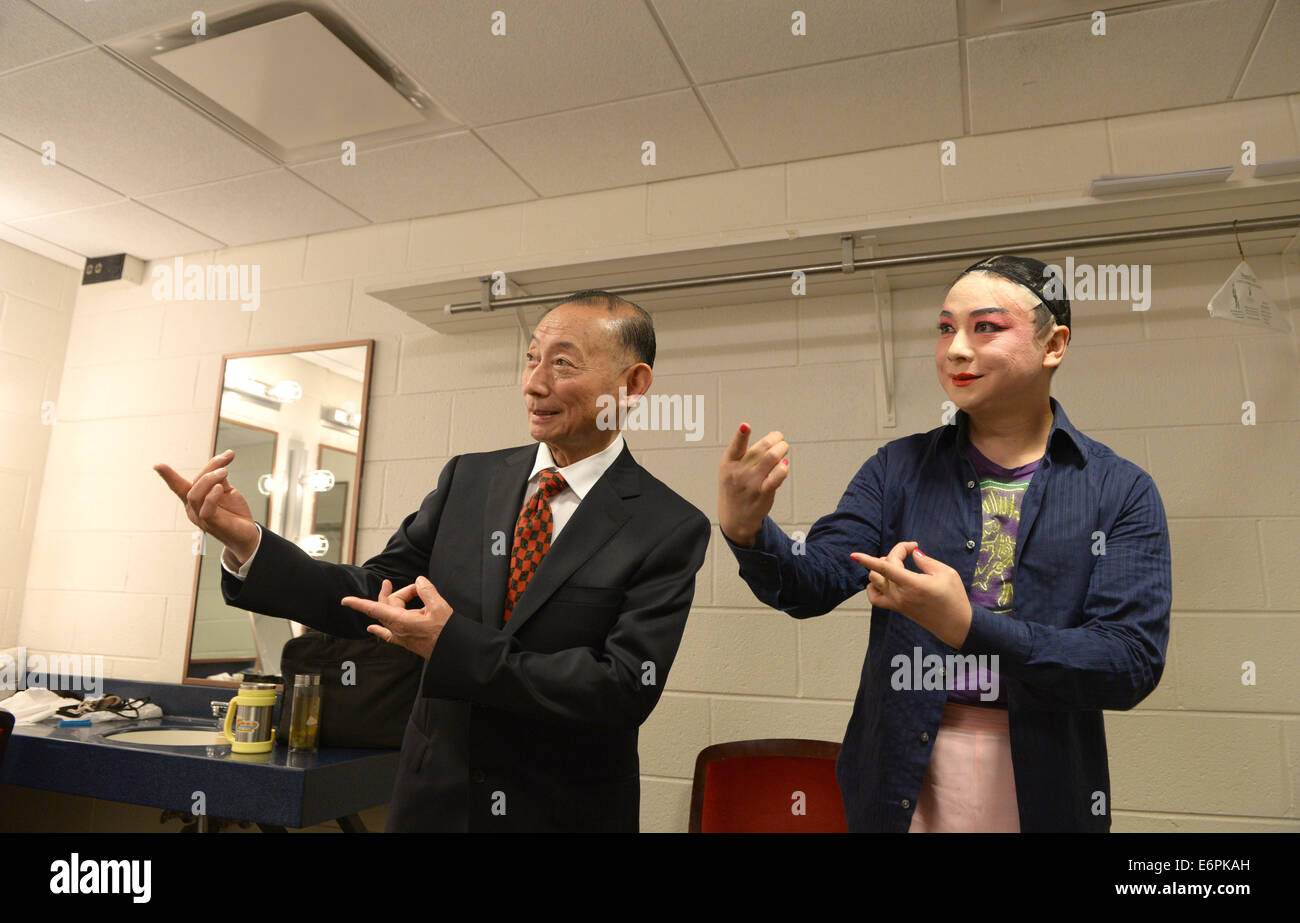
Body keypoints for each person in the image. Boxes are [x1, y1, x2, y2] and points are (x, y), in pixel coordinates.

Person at [156, 290, 711, 832]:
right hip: (434, 801)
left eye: (563, 363)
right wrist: (249, 543)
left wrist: (454, 645)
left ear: (632, 385)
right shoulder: (469, 479)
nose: (534, 383)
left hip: (563, 810)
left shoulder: (667, 526)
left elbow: (621, 688)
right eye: (531, 358)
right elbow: (374, 592)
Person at [717, 254, 1172, 832]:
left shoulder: (1118, 488)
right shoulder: (898, 469)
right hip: (902, 770)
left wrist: (967, 625)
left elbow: (1127, 662)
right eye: (944, 328)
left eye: (985, 327)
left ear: (1053, 344)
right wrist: (747, 529)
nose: (955, 349)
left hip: (1044, 780)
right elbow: (815, 582)